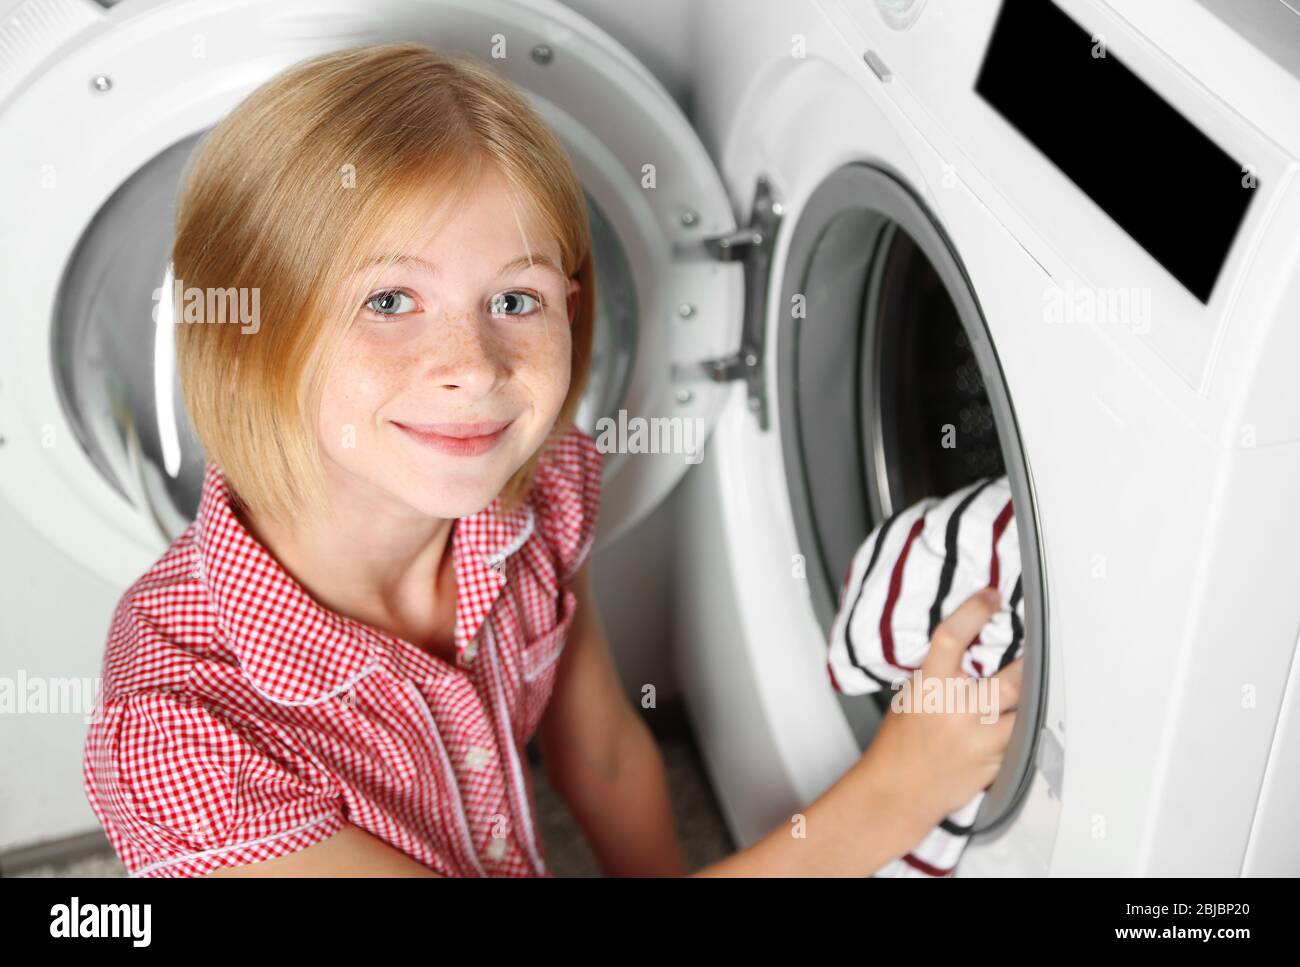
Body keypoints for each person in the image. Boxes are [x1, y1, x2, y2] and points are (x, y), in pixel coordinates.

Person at [81, 42, 1022, 877]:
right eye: (390, 301)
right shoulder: (182, 730)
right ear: (252, 340)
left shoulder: (533, 496)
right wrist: (888, 797)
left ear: (572, 308)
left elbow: (602, 751)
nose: (472, 368)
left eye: (516, 299)